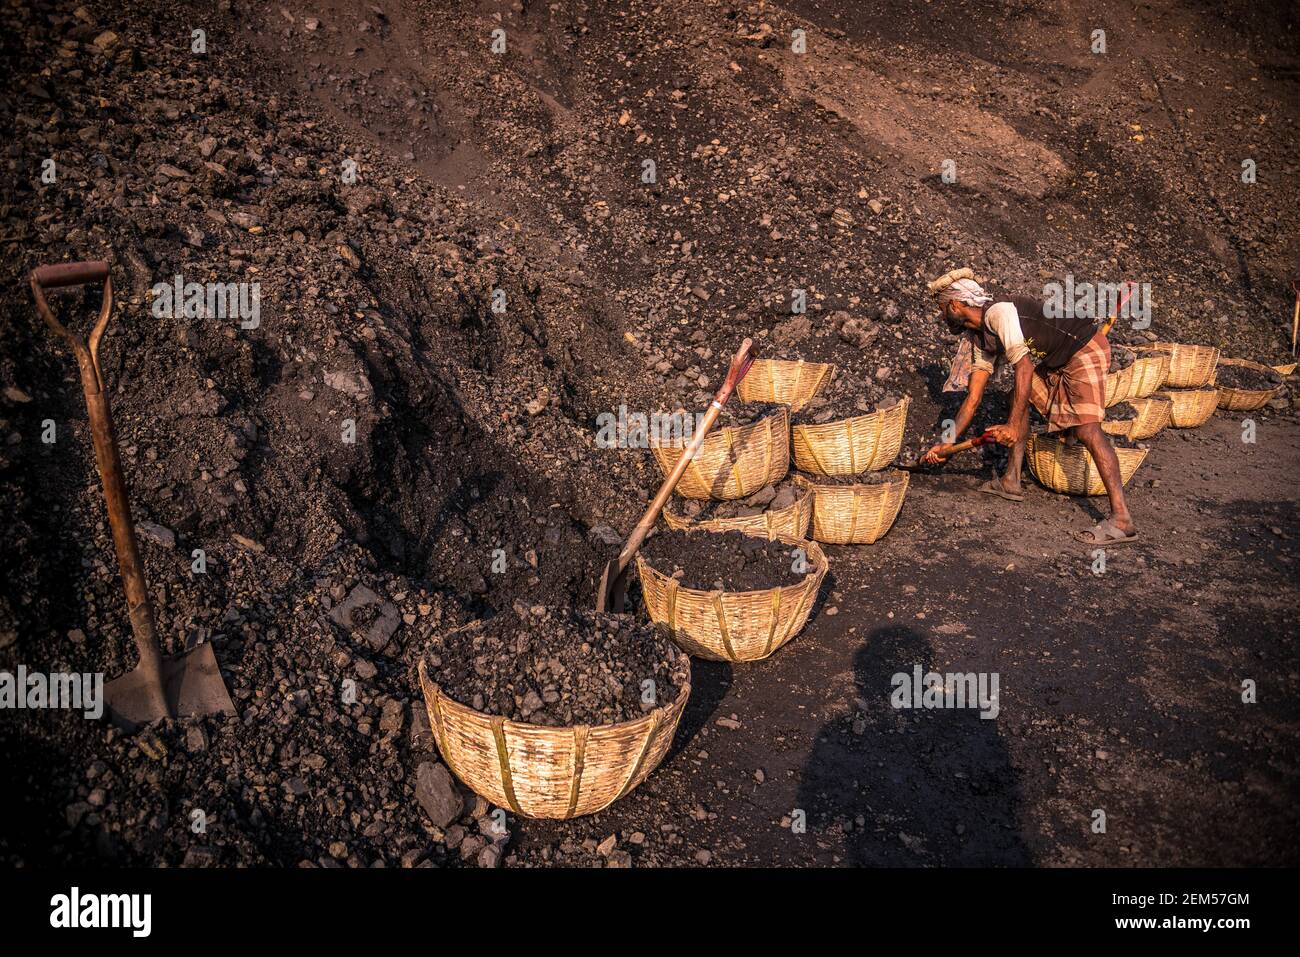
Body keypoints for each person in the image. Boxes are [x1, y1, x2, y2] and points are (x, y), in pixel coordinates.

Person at [922, 272, 1137, 545]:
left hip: (1084, 347)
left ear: (954, 305)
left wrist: (1012, 426)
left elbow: (1023, 367)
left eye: (941, 309)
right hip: (1058, 359)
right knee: (1017, 399)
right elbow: (973, 398)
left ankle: (1121, 519)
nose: (942, 317)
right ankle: (1011, 480)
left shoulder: (999, 314)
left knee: (1087, 428)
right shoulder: (981, 339)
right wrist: (945, 442)